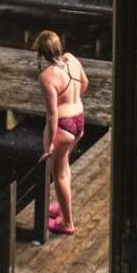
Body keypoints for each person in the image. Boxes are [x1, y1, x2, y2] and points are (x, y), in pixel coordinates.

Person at [36, 29, 88, 235]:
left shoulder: (47, 76)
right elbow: (85, 83)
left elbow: (52, 114)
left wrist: (49, 144)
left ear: (41, 54)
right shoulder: (72, 59)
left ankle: (67, 224)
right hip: (79, 120)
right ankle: (61, 206)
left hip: (63, 126)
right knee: (64, 165)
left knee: (59, 174)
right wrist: (73, 100)